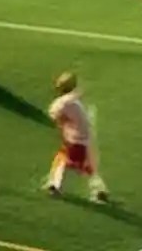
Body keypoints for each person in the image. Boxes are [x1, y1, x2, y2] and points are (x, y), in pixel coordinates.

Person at [46, 73, 108, 204]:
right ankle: (99, 190)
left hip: (75, 139)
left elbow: (55, 115)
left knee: (63, 161)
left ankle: (56, 187)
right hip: (83, 138)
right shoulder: (73, 100)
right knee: (85, 165)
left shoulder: (62, 103)